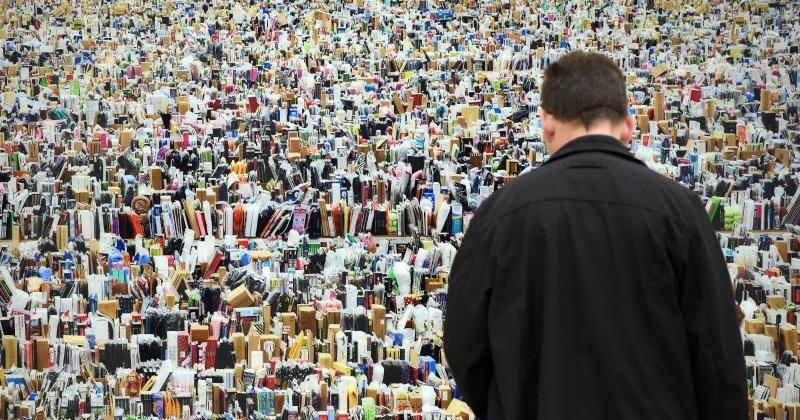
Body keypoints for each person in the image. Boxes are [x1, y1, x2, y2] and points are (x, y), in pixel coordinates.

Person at [443, 51, 747, 419]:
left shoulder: (499, 215)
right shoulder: (680, 212)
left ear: (546, 122)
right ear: (627, 126)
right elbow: (718, 358)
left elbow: (464, 346)